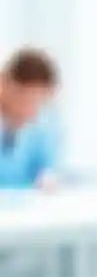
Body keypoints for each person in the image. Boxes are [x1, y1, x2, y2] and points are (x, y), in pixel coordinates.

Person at [0, 48, 61, 191]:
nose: (31, 113)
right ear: (3, 85)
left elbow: (47, 168)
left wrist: (48, 178)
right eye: (25, 101)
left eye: (39, 103)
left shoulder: (45, 125)